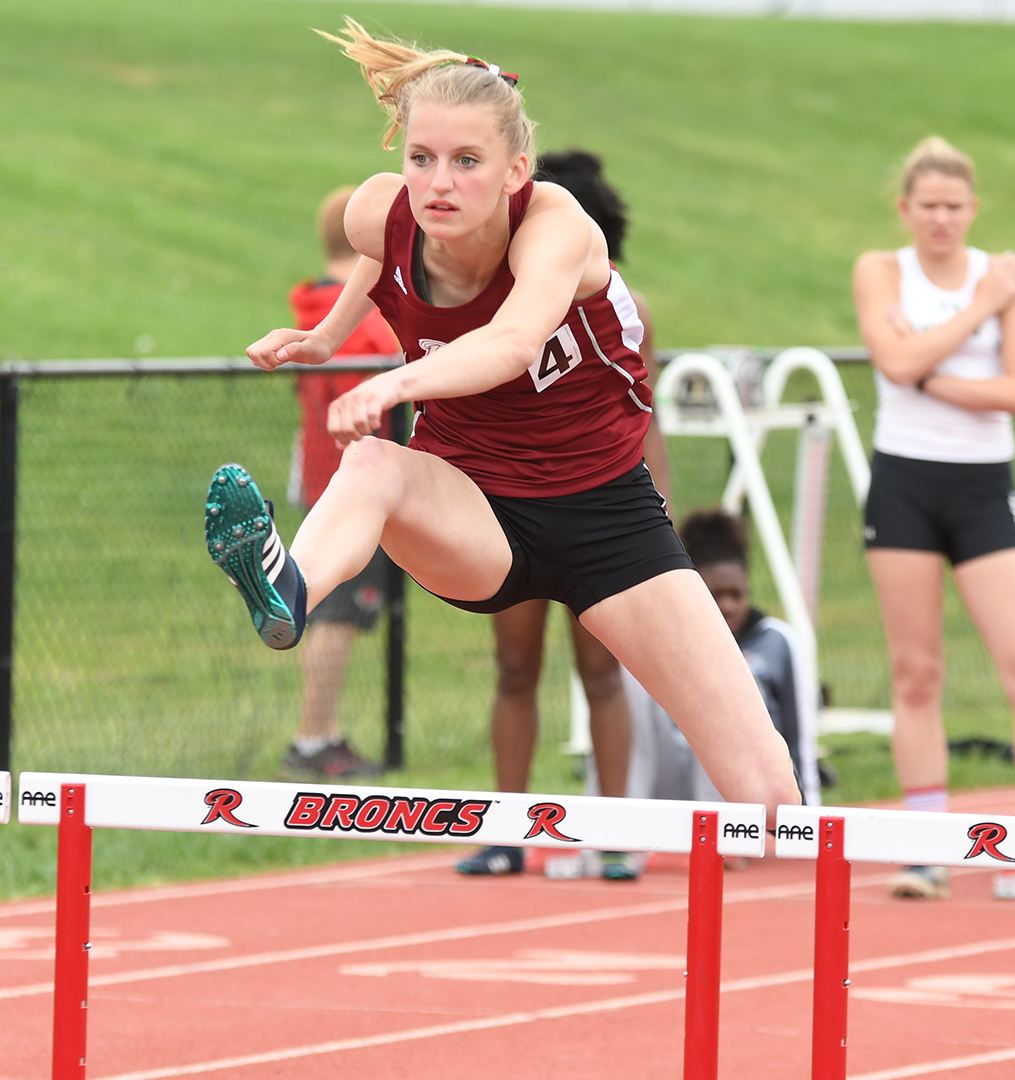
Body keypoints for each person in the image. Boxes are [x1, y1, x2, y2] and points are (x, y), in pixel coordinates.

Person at [208, 21, 800, 826]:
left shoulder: (557, 225)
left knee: (771, 796)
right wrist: (324, 337)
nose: (438, 184)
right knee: (375, 467)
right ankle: (288, 588)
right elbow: (381, 266)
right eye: (420, 159)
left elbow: (513, 342)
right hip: (475, 504)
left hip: (607, 518)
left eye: (466, 162)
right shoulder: (374, 214)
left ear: (517, 169)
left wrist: (393, 383)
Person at [851, 136, 1015, 902]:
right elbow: (892, 364)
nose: (941, 220)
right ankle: (925, 849)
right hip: (905, 482)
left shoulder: (1011, 275)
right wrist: (977, 313)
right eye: (928, 207)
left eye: (954, 207)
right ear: (905, 210)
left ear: (973, 210)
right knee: (916, 672)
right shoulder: (883, 270)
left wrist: (928, 372)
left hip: (983, 487)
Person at [456, 149, 674, 879]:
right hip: (512, 511)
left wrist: (656, 518)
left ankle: (613, 835)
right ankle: (504, 832)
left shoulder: (623, 305)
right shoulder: (500, 304)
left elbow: (644, 418)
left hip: (600, 512)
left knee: (603, 675)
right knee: (514, 669)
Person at [280, 187, 401, 780]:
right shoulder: (354, 322)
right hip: (351, 479)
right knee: (338, 614)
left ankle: (316, 733)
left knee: (332, 608)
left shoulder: (313, 307)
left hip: (321, 473)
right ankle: (313, 735)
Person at [622, 511, 822, 806]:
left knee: (720, 685)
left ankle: (731, 838)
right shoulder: (665, 640)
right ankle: (622, 831)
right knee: (627, 679)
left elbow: (800, 741)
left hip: (748, 787)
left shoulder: (779, 642)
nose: (727, 606)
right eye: (715, 595)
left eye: (736, 595)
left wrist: (807, 815)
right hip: (673, 780)